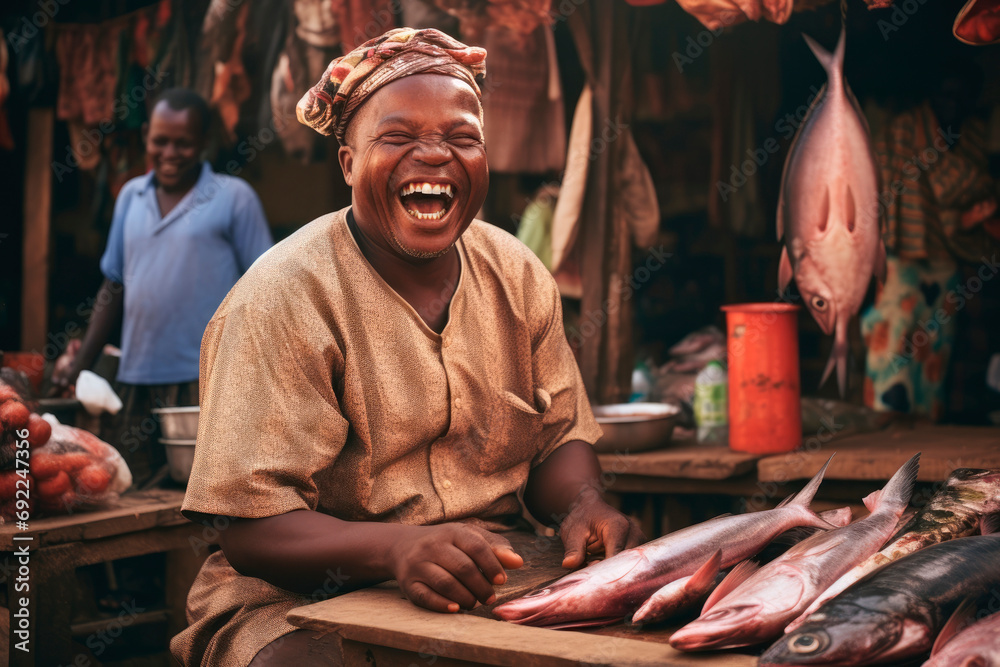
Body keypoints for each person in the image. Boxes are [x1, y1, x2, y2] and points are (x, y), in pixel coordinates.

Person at [169, 29, 643, 667]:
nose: (434, 155)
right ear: (347, 164)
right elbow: (249, 525)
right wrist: (394, 548)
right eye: (397, 137)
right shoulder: (282, 297)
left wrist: (586, 504)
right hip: (286, 600)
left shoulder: (519, 274)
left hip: (494, 572)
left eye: (461, 137)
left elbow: (558, 439)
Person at [52, 88, 273, 485]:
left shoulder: (233, 198)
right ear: (145, 139)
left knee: (208, 496)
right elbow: (113, 287)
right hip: (136, 377)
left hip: (204, 381)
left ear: (203, 143)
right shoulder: (130, 198)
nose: (169, 152)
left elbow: (268, 290)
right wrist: (79, 365)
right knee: (129, 489)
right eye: (160, 141)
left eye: (183, 142)